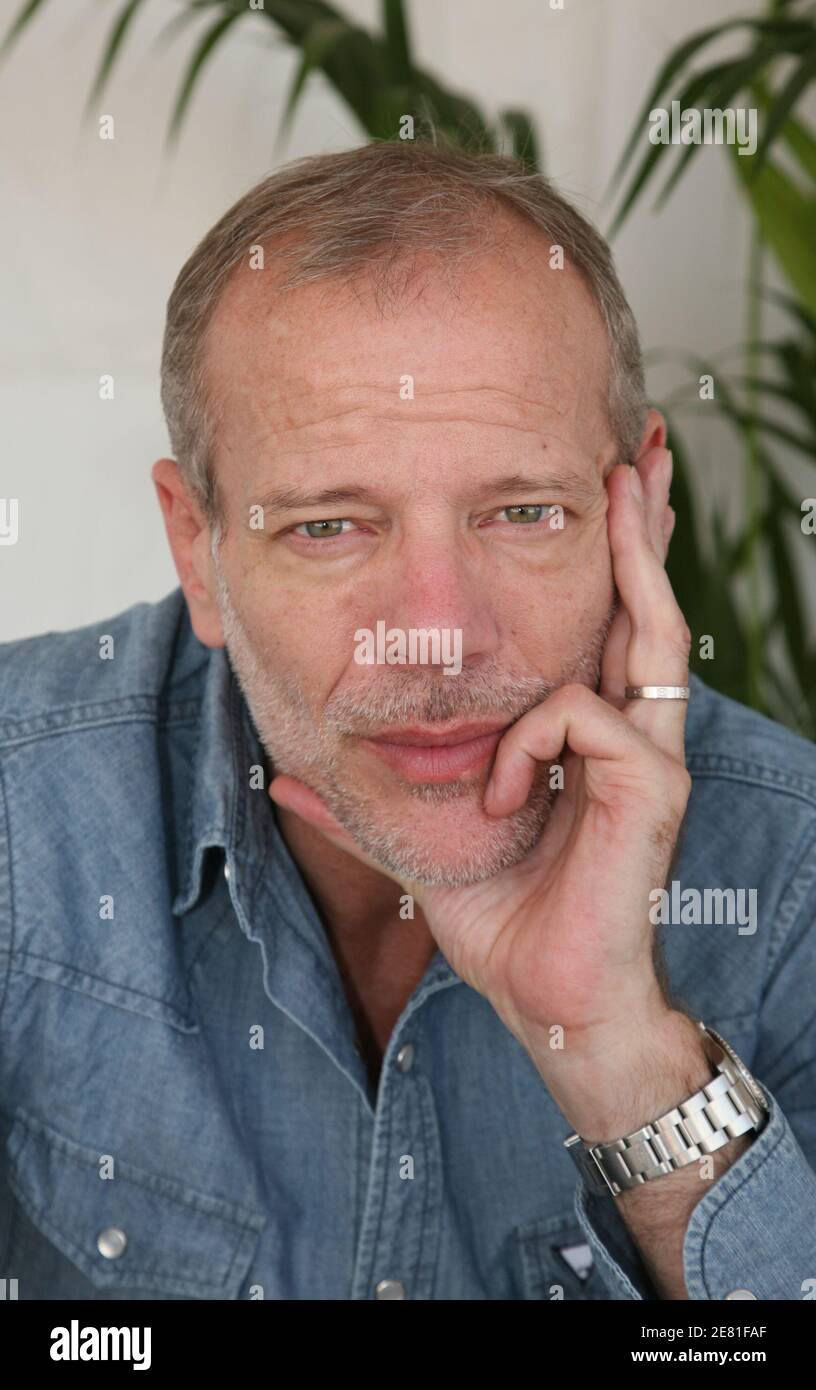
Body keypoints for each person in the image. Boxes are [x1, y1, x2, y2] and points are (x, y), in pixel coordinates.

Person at [1, 141, 815, 1302]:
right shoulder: (19, 812)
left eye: (523, 512)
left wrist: (622, 1052)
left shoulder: (792, 874)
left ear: (641, 507)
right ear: (197, 543)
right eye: (329, 527)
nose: (436, 634)